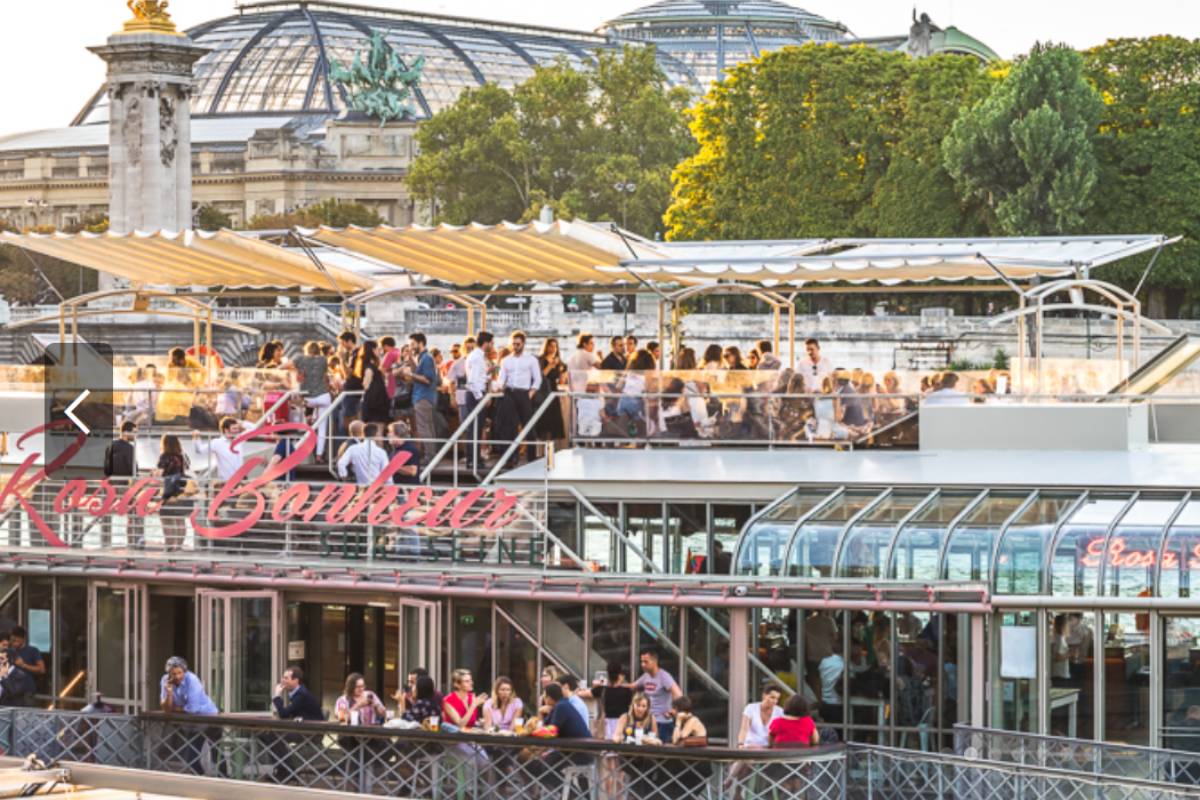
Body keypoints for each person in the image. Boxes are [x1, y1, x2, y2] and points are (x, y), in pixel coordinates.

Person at [493, 331, 541, 459]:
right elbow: (501, 379)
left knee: (528, 425)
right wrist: (497, 387)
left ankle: (531, 457)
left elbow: (537, 379)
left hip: (524, 394)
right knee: (509, 427)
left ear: (523, 344)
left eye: (518, 344)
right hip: (509, 393)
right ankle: (510, 458)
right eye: (513, 344)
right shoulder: (505, 360)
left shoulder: (531, 359)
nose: (515, 346)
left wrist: (530, 394)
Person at [631, 647, 682, 742]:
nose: (643, 665)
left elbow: (678, 694)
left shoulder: (664, 676)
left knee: (662, 752)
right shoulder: (646, 676)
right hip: (648, 721)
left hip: (662, 723)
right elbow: (632, 686)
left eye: (646, 662)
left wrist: (673, 711)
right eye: (641, 661)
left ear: (654, 661)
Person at [294, 341, 333, 460]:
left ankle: (300, 449)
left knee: (302, 421)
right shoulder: (323, 359)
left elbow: (295, 375)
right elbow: (326, 378)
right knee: (322, 427)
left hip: (308, 398)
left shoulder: (301, 360)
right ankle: (319, 455)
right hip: (324, 397)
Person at [462, 331, 495, 469]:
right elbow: (472, 382)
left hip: (474, 395)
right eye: (491, 343)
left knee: (474, 429)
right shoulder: (477, 357)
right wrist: (482, 398)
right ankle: (473, 460)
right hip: (476, 395)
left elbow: (476, 377)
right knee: (475, 429)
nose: (493, 346)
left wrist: (486, 374)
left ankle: (473, 459)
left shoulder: (475, 356)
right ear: (486, 343)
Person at [405, 332, 440, 458]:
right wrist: (411, 361)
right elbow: (419, 374)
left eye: (413, 344)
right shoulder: (422, 358)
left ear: (421, 343)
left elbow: (427, 379)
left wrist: (410, 375)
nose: (411, 347)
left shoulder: (427, 358)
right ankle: (432, 455)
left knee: (424, 428)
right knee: (427, 427)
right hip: (423, 397)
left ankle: (430, 456)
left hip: (423, 397)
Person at [155, 434, 191, 551]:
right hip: (181, 491)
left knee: (167, 521)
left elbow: (159, 474)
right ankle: (179, 546)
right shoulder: (182, 456)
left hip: (168, 491)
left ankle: (169, 547)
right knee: (180, 521)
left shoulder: (164, 456)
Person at [584, 660, 634, 740]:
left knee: (605, 748)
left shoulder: (602, 689)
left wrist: (595, 686)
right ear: (620, 676)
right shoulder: (627, 691)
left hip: (605, 725)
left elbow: (583, 693)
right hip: (622, 726)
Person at [192, 417, 243, 482]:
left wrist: (242, 423)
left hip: (240, 481)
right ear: (226, 430)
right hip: (226, 483)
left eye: (238, 428)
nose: (237, 431)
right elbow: (200, 450)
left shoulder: (239, 440)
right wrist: (196, 437)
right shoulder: (217, 442)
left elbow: (253, 429)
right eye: (234, 428)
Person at [535, 338, 567, 443]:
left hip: (554, 391)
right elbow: (541, 375)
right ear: (546, 347)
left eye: (555, 346)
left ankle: (551, 445)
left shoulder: (559, 361)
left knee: (554, 420)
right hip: (544, 392)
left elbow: (561, 379)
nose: (553, 348)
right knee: (544, 420)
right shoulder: (541, 360)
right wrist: (551, 365)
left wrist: (562, 374)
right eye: (551, 346)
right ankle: (543, 446)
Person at [4, 626, 43, 707]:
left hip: (26, 692)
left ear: (23, 639)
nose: (13, 643)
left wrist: (24, 665)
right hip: (9, 693)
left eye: (16, 640)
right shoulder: (8, 651)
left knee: (26, 717)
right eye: (11, 640)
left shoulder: (32, 651)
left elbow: (41, 669)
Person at [738, 683, 784, 749]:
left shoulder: (780, 712)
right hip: (750, 747)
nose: (775, 701)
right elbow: (744, 729)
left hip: (769, 749)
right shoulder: (750, 708)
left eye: (777, 698)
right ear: (764, 695)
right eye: (772, 697)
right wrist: (741, 744)